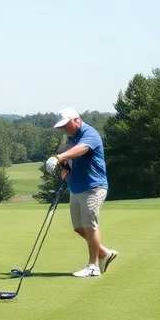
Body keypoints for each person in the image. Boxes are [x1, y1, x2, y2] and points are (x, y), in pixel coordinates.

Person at [48, 107, 117, 278]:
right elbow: (68, 160)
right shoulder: (70, 137)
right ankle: (104, 253)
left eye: (66, 125)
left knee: (90, 226)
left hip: (93, 187)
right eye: (62, 127)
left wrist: (60, 157)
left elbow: (80, 150)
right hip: (76, 187)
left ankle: (93, 266)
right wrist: (63, 168)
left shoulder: (89, 134)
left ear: (77, 120)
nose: (64, 129)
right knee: (79, 228)